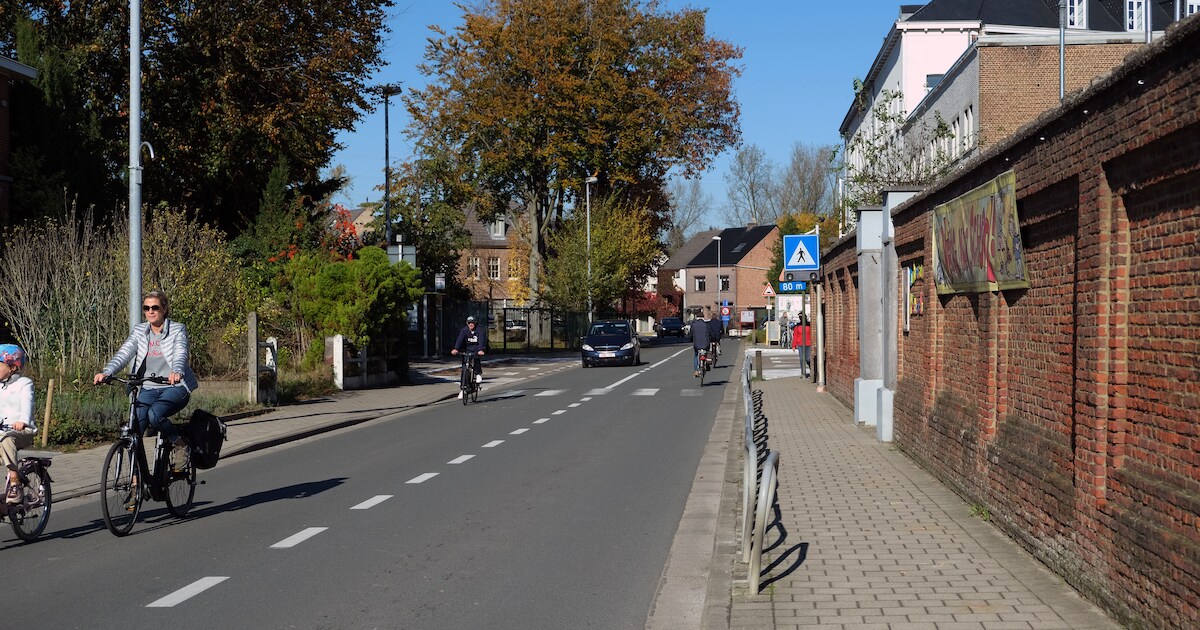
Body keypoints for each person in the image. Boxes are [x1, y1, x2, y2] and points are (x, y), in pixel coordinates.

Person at [93, 290, 198, 465]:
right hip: (148, 388)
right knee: (134, 430)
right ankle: (137, 479)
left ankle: (179, 443)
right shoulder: (140, 331)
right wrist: (107, 372)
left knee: (155, 415)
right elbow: (124, 353)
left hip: (174, 388)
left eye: (155, 307)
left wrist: (177, 371)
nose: (150, 311)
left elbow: (181, 352)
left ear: (164, 309)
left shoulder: (177, 329)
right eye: (146, 308)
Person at [0, 345, 35, 504]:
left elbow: (27, 404)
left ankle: (15, 483)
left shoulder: (24, 383)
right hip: (2, 432)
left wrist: (23, 421)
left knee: (6, 439)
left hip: (23, 432)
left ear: (13, 367)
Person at [451, 315, 487, 398]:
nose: (471, 325)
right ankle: (463, 389)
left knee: (476, 358)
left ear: (475, 323)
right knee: (464, 368)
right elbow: (460, 340)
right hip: (467, 350)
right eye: (469, 323)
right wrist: (456, 349)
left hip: (477, 349)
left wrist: (481, 350)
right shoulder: (464, 330)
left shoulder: (480, 330)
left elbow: (482, 341)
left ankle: (478, 374)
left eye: (472, 323)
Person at [688, 311, 714, 377]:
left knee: (696, 355)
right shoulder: (707, 325)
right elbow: (712, 334)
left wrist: (690, 340)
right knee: (707, 352)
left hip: (697, 345)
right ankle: (707, 363)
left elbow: (690, 335)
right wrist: (712, 339)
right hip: (706, 345)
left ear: (697, 317)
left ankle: (696, 370)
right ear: (703, 317)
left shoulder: (693, 325)